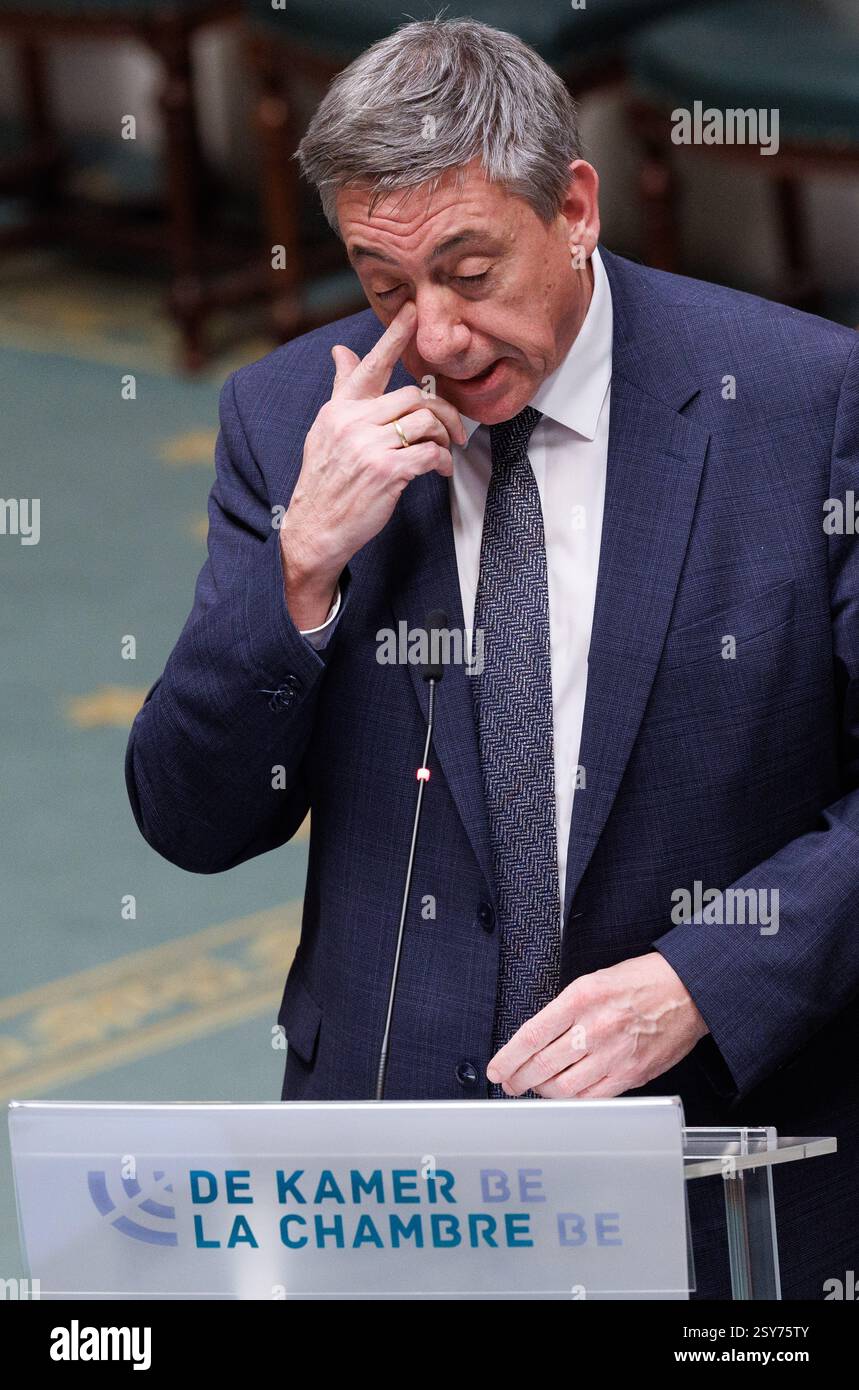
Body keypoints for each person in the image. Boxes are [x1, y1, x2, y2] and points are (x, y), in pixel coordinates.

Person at [126, 18, 859, 1299]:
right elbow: (194, 818)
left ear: (573, 205)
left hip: (722, 1153)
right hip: (391, 1175)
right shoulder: (291, 419)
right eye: (385, 286)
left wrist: (710, 975)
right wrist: (300, 565)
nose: (439, 337)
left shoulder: (802, 404)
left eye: (471, 270)